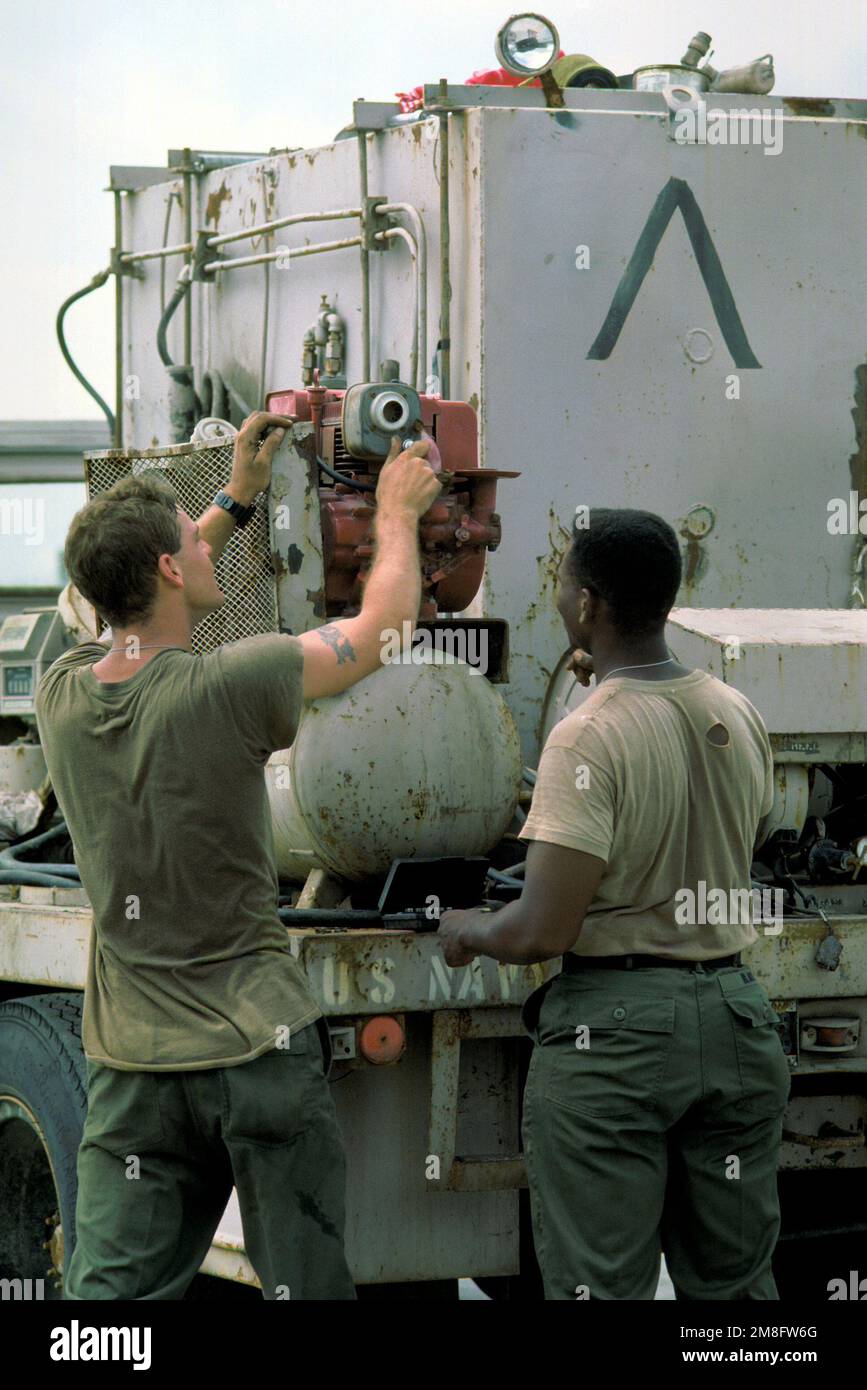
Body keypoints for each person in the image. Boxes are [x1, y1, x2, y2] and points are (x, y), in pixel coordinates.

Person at [35, 412, 441, 1300]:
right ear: (172, 571)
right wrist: (397, 514)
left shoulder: (59, 694)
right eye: (193, 540)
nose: (208, 544)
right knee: (304, 1290)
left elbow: (116, 608)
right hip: (256, 1054)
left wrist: (231, 501)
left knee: (107, 1310)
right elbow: (386, 624)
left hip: (135, 1074)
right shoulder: (234, 682)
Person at [438, 507, 791, 1300]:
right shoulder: (735, 713)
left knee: (601, 1288)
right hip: (735, 1017)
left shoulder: (587, 733)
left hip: (617, 1039)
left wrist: (467, 930)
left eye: (565, 586)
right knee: (737, 1293)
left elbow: (542, 928)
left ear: (589, 604)